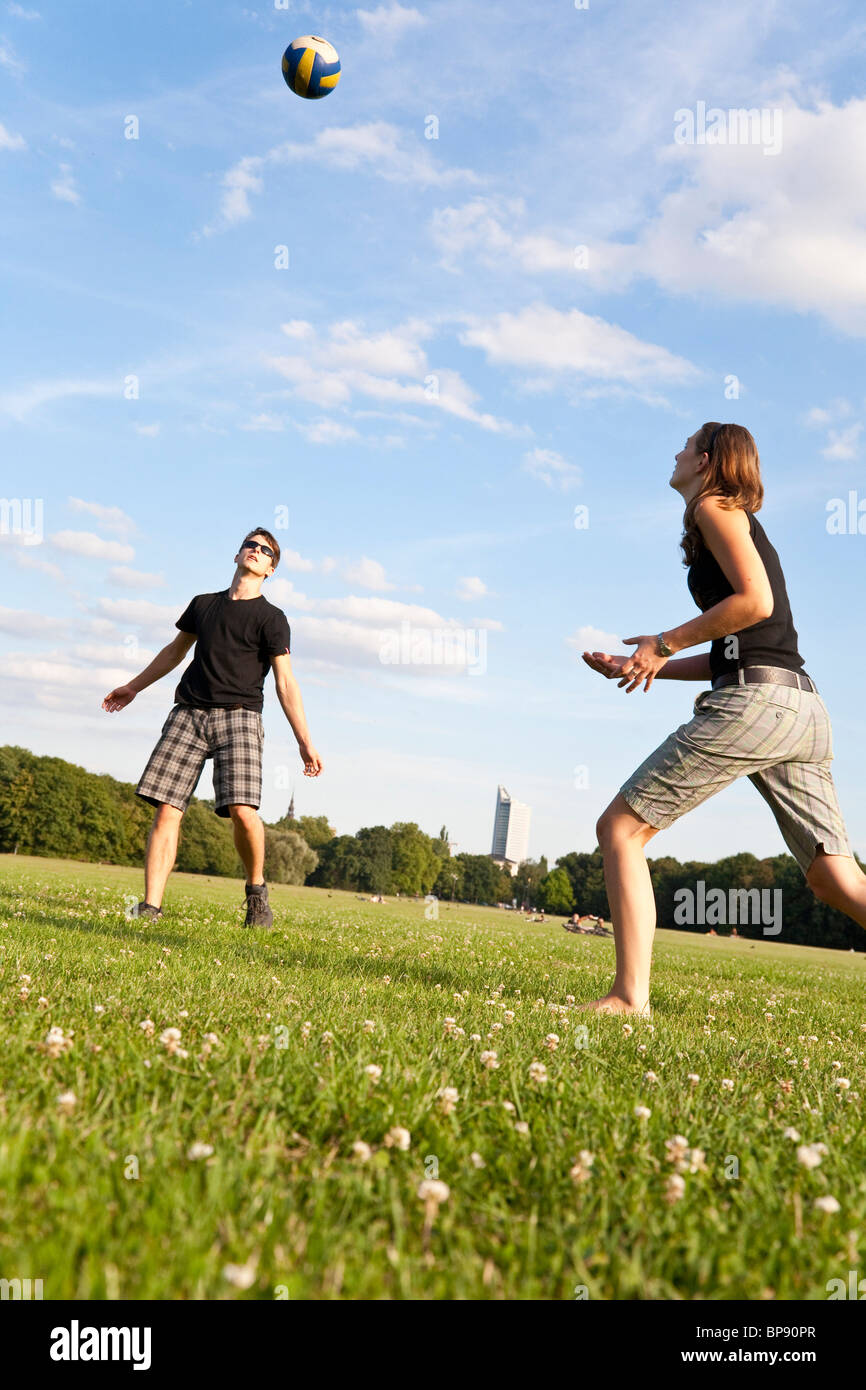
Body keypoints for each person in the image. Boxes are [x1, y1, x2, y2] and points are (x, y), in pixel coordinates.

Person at [581, 423, 863, 1016]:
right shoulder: (721, 516)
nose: (676, 452)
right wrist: (648, 664)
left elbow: (755, 604)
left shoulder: (716, 505)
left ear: (707, 460)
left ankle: (630, 998)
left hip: (758, 704)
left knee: (621, 830)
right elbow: (739, 645)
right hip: (799, 707)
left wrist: (661, 641)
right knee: (837, 882)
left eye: (685, 445)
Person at [101, 529, 323, 929]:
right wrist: (133, 686)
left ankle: (256, 892)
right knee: (168, 810)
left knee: (242, 811)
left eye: (265, 550)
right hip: (188, 713)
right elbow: (174, 651)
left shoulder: (273, 619)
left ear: (271, 569)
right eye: (251, 545)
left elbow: (285, 682)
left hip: (239, 718)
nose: (256, 551)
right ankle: (150, 908)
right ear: (237, 554)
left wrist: (305, 742)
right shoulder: (203, 605)